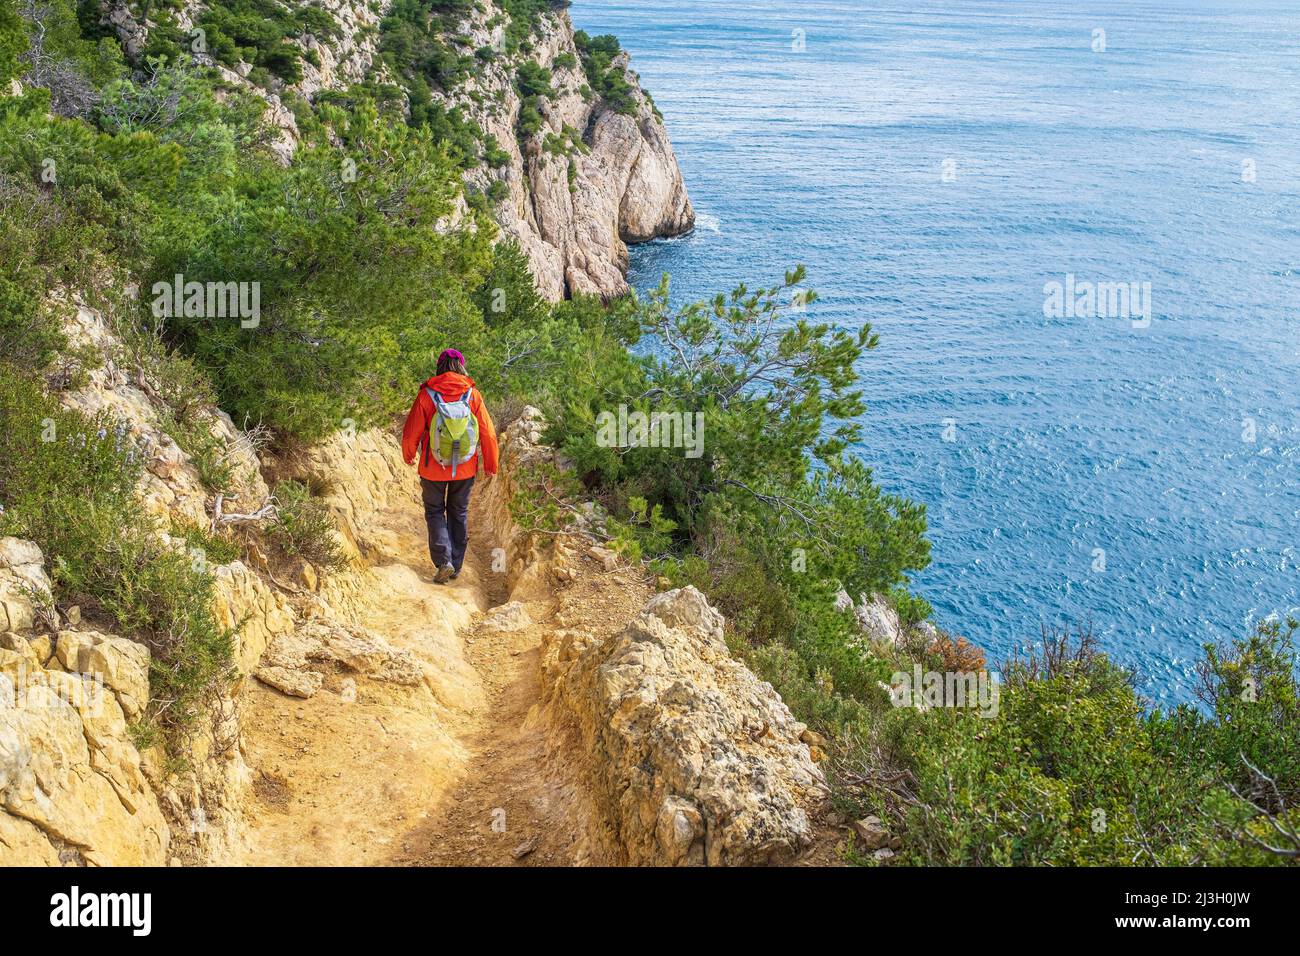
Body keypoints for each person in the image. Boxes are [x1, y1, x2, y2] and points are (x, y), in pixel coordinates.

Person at [401, 349, 499, 583]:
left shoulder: (427, 395)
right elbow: (488, 433)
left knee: (435, 511)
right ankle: (455, 565)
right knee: (459, 511)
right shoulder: (472, 395)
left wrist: (408, 454)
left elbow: (410, 432)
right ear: (461, 367)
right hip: (464, 468)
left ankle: (443, 560)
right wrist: (491, 464)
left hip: (432, 467)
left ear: (440, 367)